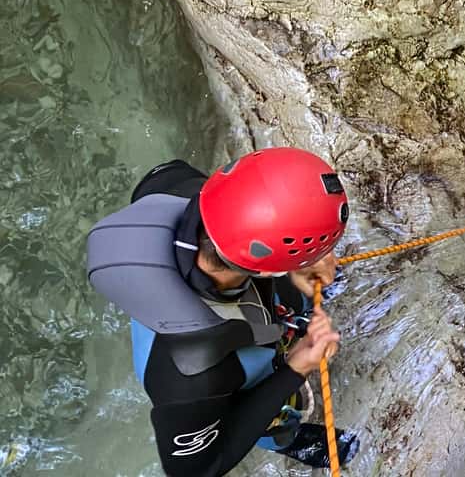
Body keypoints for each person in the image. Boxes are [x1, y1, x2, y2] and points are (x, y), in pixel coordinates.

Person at [86, 148, 359, 476]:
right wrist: (295, 369)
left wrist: (297, 263)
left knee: (286, 304)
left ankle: (287, 312)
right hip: (214, 370)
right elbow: (198, 470)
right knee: (266, 392)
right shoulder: (190, 378)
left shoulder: (174, 186)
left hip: (234, 289)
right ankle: (287, 439)